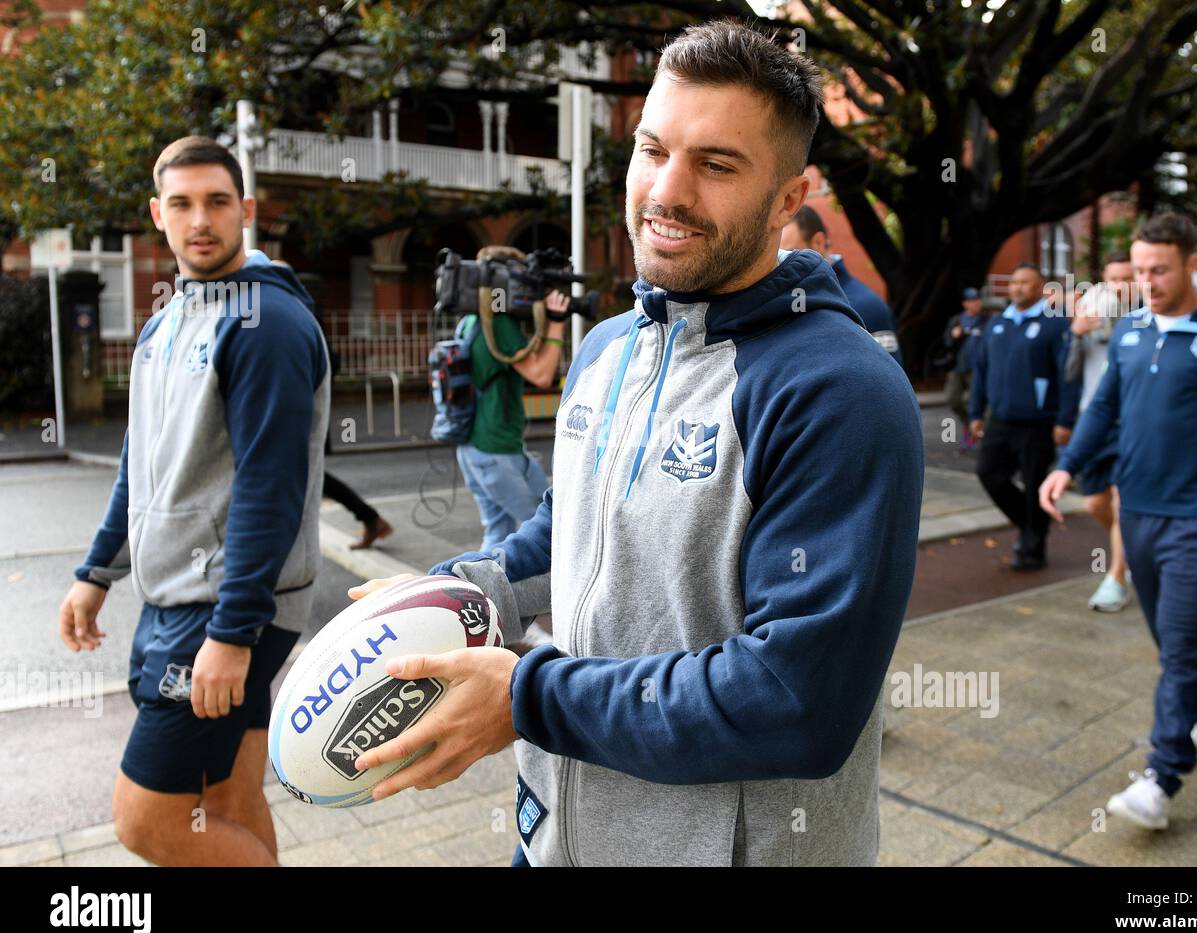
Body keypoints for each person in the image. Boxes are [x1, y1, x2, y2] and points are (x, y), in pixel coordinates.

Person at [345, 20, 923, 867]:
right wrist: (458, 596)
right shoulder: (609, 346)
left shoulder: (842, 393)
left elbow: (795, 701)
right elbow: (566, 523)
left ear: (789, 199)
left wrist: (526, 698)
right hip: (556, 840)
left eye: (717, 165)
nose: (667, 189)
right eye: (652, 149)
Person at [56, 137, 330, 865]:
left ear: (246, 210)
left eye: (216, 202)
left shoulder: (266, 325)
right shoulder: (165, 324)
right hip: (179, 597)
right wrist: (95, 573)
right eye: (181, 203)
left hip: (227, 608)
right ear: (157, 214)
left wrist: (234, 633)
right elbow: (139, 467)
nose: (199, 219)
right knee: (228, 799)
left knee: (145, 819)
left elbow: (271, 490)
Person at [1041, 212, 1197, 830]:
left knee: (1177, 649)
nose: (1147, 281)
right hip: (1137, 513)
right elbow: (1104, 409)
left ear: (1191, 264)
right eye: (1140, 270)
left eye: (1159, 270)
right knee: (1174, 645)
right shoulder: (1131, 333)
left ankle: (1162, 774)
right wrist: (1068, 466)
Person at [270, 258, 393, 550]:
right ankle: (371, 520)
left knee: (303, 478)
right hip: (303, 415)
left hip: (299, 417)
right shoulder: (305, 315)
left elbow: (327, 364)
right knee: (308, 478)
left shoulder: (298, 318)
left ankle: (370, 520)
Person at [969, 263, 1079, 570]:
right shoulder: (997, 323)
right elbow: (981, 370)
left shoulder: (1056, 325)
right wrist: (976, 412)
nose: (1017, 287)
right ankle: (1030, 524)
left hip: (1038, 422)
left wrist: (1065, 420)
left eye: (1025, 283)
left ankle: (1033, 548)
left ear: (1042, 287)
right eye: (1014, 282)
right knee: (989, 473)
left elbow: (1068, 376)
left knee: (1034, 484)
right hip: (1000, 419)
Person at [456, 287, 570, 551]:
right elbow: (541, 374)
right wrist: (555, 322)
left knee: (498, 531)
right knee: (552, 527)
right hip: (495, 450)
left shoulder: (470, 322)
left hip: (473, 448)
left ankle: (484, 590)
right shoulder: (499, 324)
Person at [1066, 251, 1138, 612]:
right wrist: (1075, 334)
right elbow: (1067, 372)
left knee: (1123, 501)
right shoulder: (1091, 312)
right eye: (1114, 280)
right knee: (1096, 502)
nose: (1121, 287)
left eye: (1129, 279)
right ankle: (1132, 547)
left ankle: (1116, 577)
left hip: (1134, 424)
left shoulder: (1151, 320)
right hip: (1094, 420)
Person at [780, 204, 903, 365]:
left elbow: (889, 382)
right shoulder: (782, 304)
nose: (781, 266)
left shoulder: (867, 307)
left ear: (819, 242)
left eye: (790, 254)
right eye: (779, 256)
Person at [942, 287, 986, 447]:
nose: (975, 303)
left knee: (972, 400)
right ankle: (970, 426)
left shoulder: (985, 320)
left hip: (977, 368)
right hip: (958, 367)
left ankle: (974, 432)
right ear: (965, 303)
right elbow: (946, 342)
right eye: (971, 301)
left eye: (977, 300)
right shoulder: (957, 320)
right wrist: (953, 336)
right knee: (952, 399)